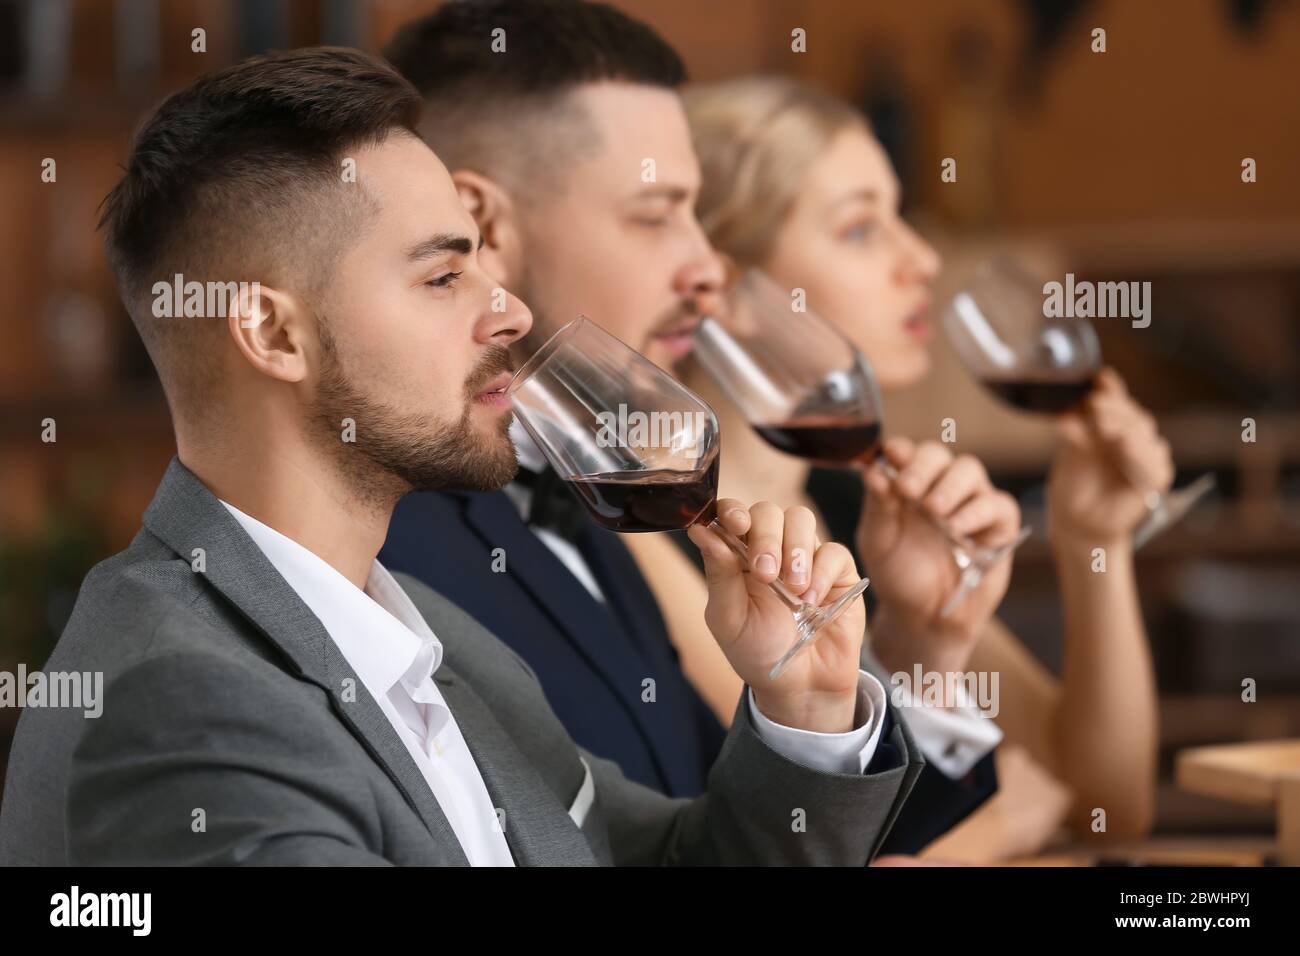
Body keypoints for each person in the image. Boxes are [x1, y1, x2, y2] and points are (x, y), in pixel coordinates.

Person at [0, 48, 919, 867]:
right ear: (274, 333)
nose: (510, 311)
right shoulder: (180, 705)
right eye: (443, 277)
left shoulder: (430, 636)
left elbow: (671, 856)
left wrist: (802, 712)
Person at [380, 0, 1015, 853]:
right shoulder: (391, 548)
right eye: (655, 213)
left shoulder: (602, 495)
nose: (706, 265)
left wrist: (921, 650)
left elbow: (760, 839)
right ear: (484, 226)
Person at [662, 75, 1171, 859]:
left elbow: (1109, 803)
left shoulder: (864, 508)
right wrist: (1000, 827)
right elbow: (823, 835)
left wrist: (1090, 541)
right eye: (863, 229)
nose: (924, 259)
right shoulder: (658, 537)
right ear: (724, 285)